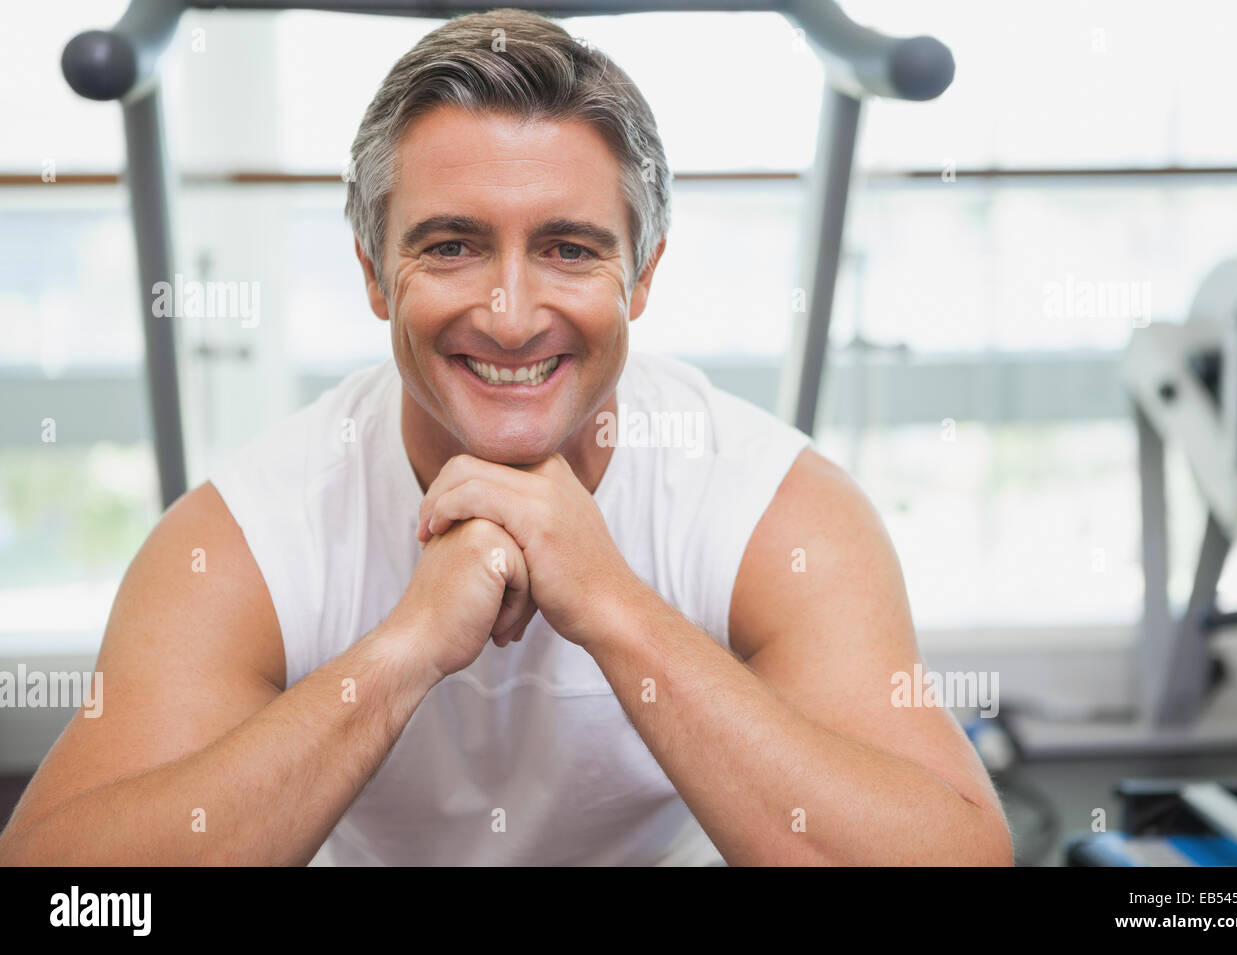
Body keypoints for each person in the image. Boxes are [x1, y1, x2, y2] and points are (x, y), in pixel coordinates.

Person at [0, 8, 1012, 866]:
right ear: (370, 270)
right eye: (451, 245)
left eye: (569, 249)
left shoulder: (773, 509)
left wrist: (612, 603)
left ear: (643, 275)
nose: (511, 311)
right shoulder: (247, 535)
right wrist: (402, 651)